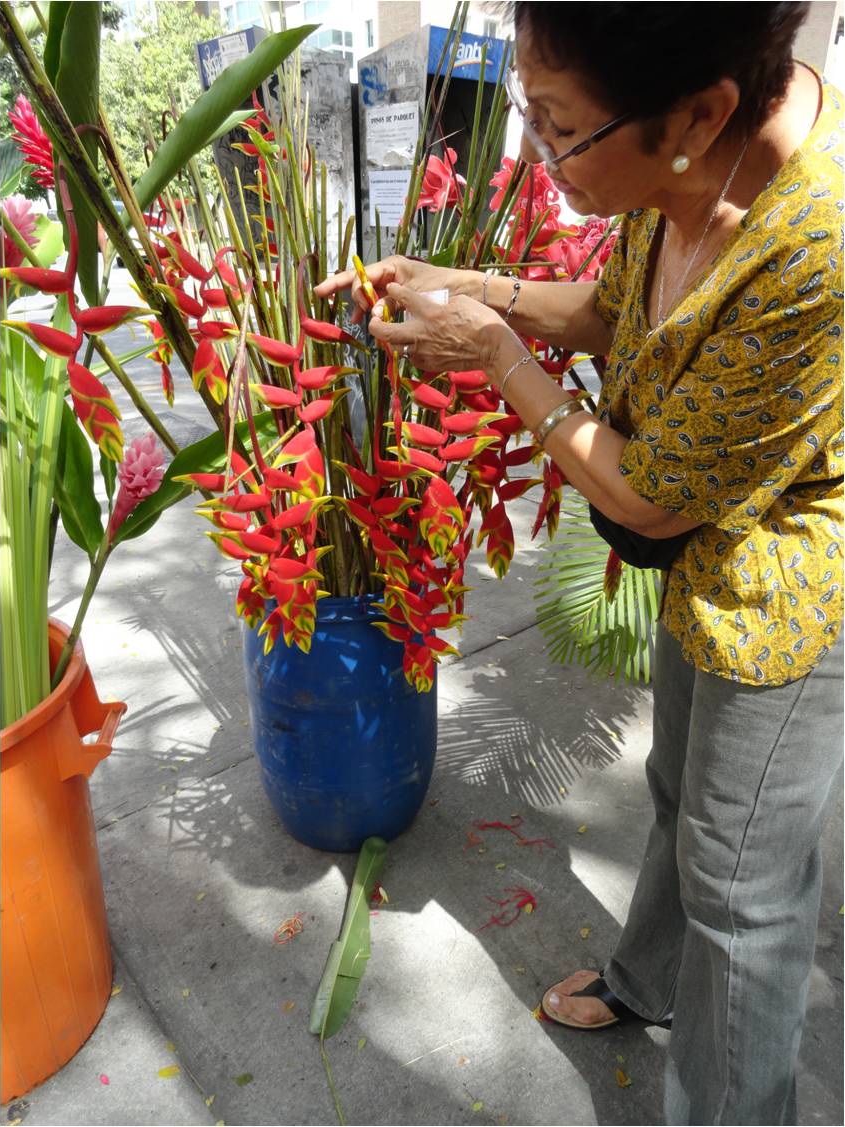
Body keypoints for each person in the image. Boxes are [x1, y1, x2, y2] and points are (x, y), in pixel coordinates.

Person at [315, 3, 843, 1122]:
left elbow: (649, 497)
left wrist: (500, 360)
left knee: (746, 895)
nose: (543, 157)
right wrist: (474, 289)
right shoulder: (702, 143)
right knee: (678, 796)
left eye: (559, 129)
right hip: (708, 551)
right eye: (529, 115)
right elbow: (611, 315)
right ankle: (650, 981)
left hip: (790, 589)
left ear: (697, 112)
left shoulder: (817, 246)